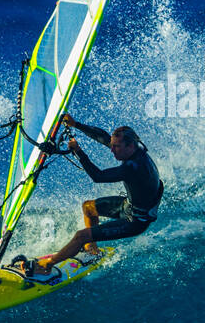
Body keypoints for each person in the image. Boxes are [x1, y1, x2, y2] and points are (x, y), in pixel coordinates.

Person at [27, 114, 163, 275]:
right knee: (88, 207)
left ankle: (46, 266)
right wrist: (76, 124)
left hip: (136, 220)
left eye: (116, 147)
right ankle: (92, 248)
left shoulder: (134, 167)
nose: (111, 150)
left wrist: (79, 152)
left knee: (80, 236)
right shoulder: (135, 148)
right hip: (129, 205)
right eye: (112, 146)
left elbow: (98, 177)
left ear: (130, 146)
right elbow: (104, 137)